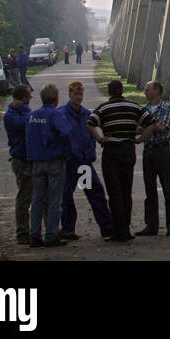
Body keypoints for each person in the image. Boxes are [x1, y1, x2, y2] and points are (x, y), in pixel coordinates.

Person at [87, 79, 143, 241]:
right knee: (126, 192)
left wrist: (100, 138)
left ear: (109, 92)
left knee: (114, 192)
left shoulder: (104, 108)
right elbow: (150, 123)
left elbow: (90, 124)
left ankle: (118, 231)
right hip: (128, 150)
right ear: (122, 90)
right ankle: (126, 228)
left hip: (111, 152)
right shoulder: (134, 106)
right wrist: (139, 138)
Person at [59, 81, 112, 241]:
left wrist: (90, 152)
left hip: (83, 163)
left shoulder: (86, 114)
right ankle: (68, 228)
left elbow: (91, 134)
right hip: (68, 163)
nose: (78, 97)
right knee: (66, 196)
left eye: (80, 94)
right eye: (75, 94)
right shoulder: (61, 113)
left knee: (95, 194)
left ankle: (107, 227)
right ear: (70, 95)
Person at [25, 83, 72, 247]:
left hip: (36, 162)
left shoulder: (32, 115)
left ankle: (34, 234)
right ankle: (51, 234)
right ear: (57, 98)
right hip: (54, 161)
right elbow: (66, 132)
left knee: (37, 199)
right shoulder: (55, 114)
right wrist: (65, 151)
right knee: (54, 200)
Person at [135, 80, 170, 236]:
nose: (145, 92)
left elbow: (163, 128)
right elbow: (137, 128)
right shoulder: (143, 109)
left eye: (148, 89)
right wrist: (151, 127)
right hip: (148, 151)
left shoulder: (167, 108)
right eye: (145, 89)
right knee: (149, 190)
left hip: (162, 150)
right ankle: (151, 225)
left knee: (167, 189)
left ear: (157, 91)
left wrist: (148, 127)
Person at [3, 85, 34, 244]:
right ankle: (22, 232)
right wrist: (24, 108)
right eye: (29, 96)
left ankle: (36, 230)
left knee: (36, 196)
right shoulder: (10, 115)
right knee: (24, 197)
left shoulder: (21, 111)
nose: (31, 99)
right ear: (22, 98)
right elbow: (27, 121)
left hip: (30, 159)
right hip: (20, 160)